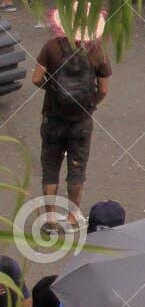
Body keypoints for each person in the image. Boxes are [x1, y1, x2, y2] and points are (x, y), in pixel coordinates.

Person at [30, 13, 109, 231]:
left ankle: (51, 220)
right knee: (77, 170)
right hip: (81, 121)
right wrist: (90, 104)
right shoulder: (97, 52)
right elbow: (103, 89)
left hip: (53, 118)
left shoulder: (51, 47)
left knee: (50, 169)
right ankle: (74, 218)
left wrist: (52, 91)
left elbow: (36, 78)